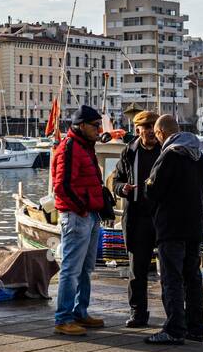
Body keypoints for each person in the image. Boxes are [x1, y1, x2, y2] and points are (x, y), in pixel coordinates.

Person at [142, 114, 203, 346]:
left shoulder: (169, 155)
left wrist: (145, 187)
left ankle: (174, 329)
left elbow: (153, 190)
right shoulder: (199, 156)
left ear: (161, 133)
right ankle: (195, 327)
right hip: (194, 225)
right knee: (192, 277)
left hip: (171, 226)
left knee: (171, 278)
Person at [50, 105, 111, 336]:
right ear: (81, 125)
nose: (99, 130)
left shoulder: (85, 147)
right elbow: (62, 186)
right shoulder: (70, 148)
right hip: (77, 216)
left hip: (88, 215)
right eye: (95, 126)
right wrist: (83, 209)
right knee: (71, 269)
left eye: (99, 125)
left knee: (85, 268)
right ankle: (63, 318)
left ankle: (79, 312)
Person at [110, 110, 161, 329]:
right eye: (146, 127)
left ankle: (176, 315)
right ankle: (138, 313)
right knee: (136, 271)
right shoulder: (128, 153)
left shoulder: (165, 151)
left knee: (169, 270)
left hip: (161, 217)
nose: (150, 131)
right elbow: (115, 181)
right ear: (137, 130)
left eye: (153, 126)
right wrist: (123, 189)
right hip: (137, 217)